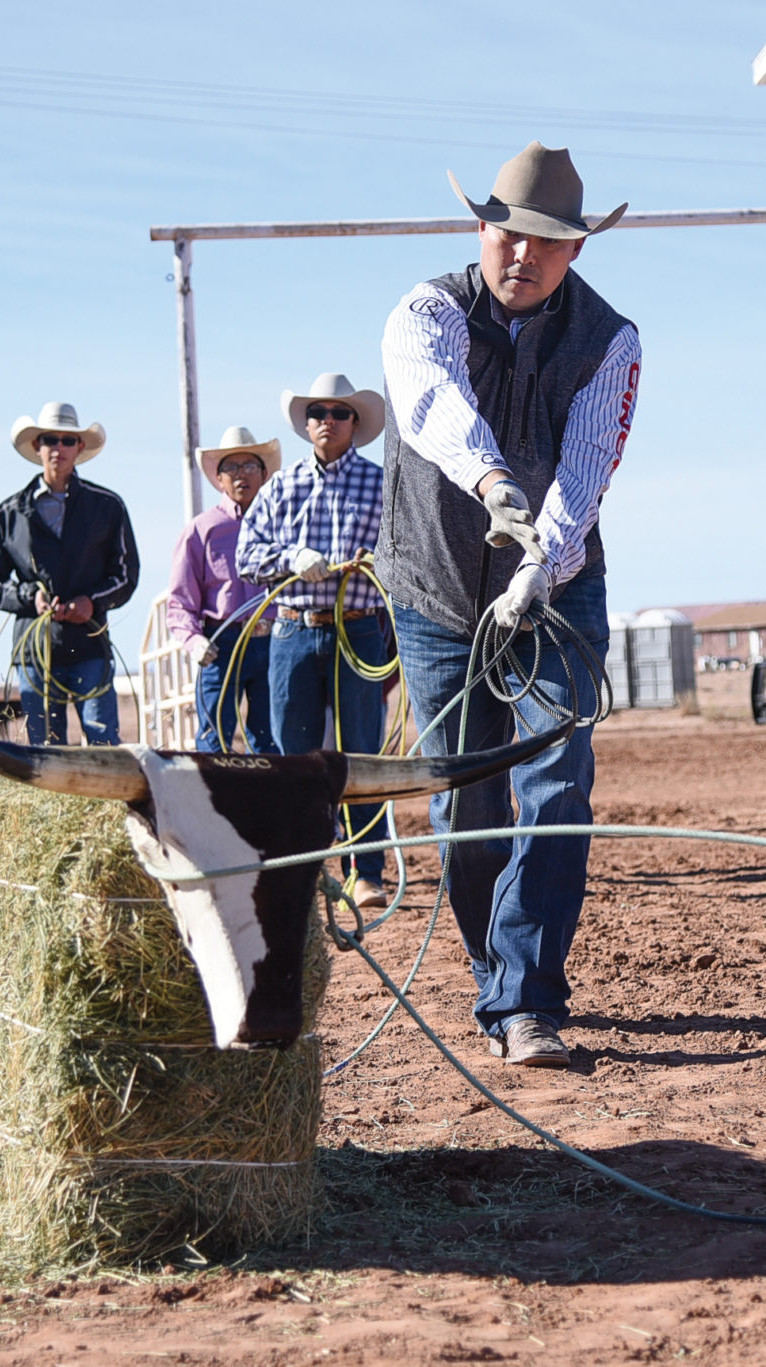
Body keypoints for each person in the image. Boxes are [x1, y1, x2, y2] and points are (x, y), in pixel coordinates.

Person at [377, 142, 639, 1067]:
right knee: (465, 799)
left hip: (556, 588)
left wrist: (543, 561)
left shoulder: (611, 341)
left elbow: (587, 468)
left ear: (575, 252)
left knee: (557, 779)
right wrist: (491, 479)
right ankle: (500, 970)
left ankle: (524, 999)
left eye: (547, 240)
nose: (522, 253)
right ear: (480, 228)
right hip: (436, 588)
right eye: (508, 233)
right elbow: (431, 405)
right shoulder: (426, 312)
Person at [236, 374, 392, 907]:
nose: (328, 419)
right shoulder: (279, 488)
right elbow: (247, 557)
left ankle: (365, 869)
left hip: (358, 629)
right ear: (306, 425)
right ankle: (300, 868)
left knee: (361, 751)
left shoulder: (381, 483)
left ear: (355, 424)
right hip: (294, 632)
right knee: (294, 755)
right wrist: (291, 558)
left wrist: (372, 568)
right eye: (319, 411)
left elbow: (404, 557)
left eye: (339, 412)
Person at [0, 402, 138, 745]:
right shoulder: (11, 512)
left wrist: (91, 602)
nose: (58, 448)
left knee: (103, 745)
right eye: (51, 439)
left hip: (91, 647)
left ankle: (105, 802)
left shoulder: (107, 506)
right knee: (46, 750)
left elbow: (126, 574)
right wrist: (28, 599)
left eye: (67, 440)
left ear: (79, 447)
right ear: (37, 446)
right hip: (35, 653)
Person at [164, 426, 279, 754]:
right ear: (219, 478)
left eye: (249, 467)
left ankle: (268, 806)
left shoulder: (281, 524)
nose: (241, 475)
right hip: (221, 644)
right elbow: (180, 600)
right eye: (231, 468)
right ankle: (211, 805)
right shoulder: (202, 530)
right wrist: (193, 640)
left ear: (264, 473)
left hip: (273, 640)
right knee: (214, 740)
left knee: (272, 741)